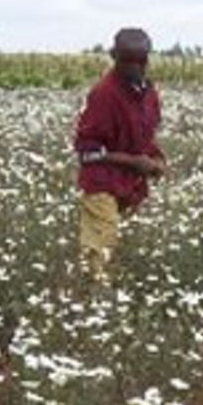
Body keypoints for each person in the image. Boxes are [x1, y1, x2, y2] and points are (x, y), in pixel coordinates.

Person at [73, 28, 166, 278]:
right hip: (101, 183)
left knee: (116, 249)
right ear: (114, 56)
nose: (135, 67)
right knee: (100, 253)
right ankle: (95, 301)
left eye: (141, 60)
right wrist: (134, 162)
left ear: (148, 58)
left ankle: (105, 297)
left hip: (130, 184)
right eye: (128, 60)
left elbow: (145, 136)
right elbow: (86, 152)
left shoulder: (148, 93)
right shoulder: (104, 94)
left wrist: (156, 158)